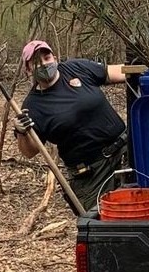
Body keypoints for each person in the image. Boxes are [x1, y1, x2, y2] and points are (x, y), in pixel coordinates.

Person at [13, 40, 134, 211]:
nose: (44, 64)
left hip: (127, 151)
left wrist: (143, 68)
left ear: (54, 58)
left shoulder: (75, 68)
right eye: (36, 62)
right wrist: (21, 131)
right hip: (92, 174)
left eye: (46, 58)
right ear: (28, 69)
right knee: (103, 226)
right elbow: (29, 151)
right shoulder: (32, 106)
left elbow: (117, 72)